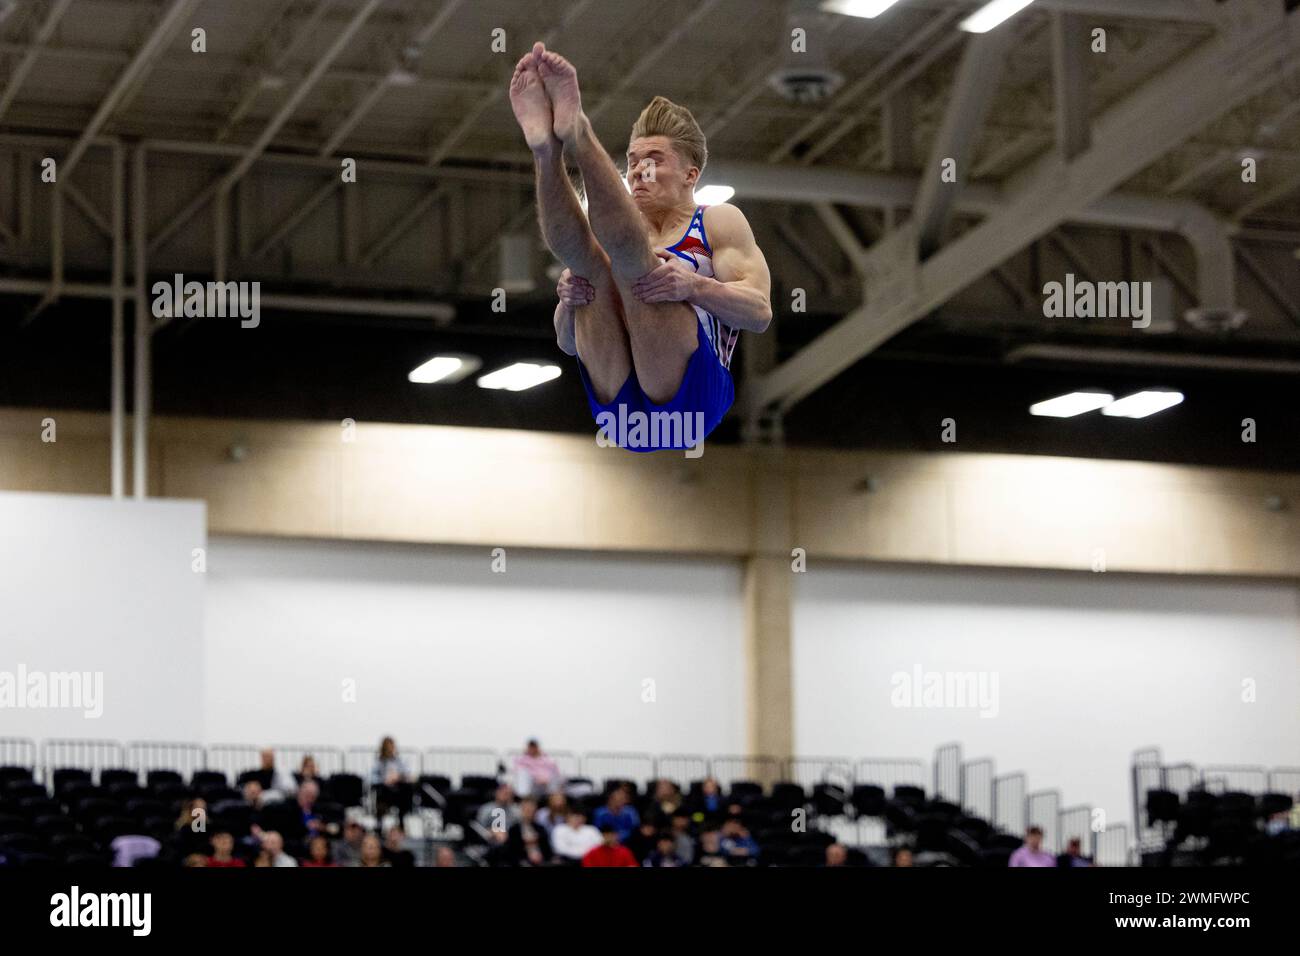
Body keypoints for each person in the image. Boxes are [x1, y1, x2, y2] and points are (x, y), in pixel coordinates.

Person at [508, 42, 771, 453]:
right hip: (622, 419)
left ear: (690, 174)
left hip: (692, 407)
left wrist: (694, 287)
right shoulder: (611, 230)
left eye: (654, 159)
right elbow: (567, 343)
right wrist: (569, 303)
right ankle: (545, 150)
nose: (639, 172)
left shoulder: (719, 221)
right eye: (632, 161)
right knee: (588, 267)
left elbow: (759, 313)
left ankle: (578, 131)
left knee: (639, 270)